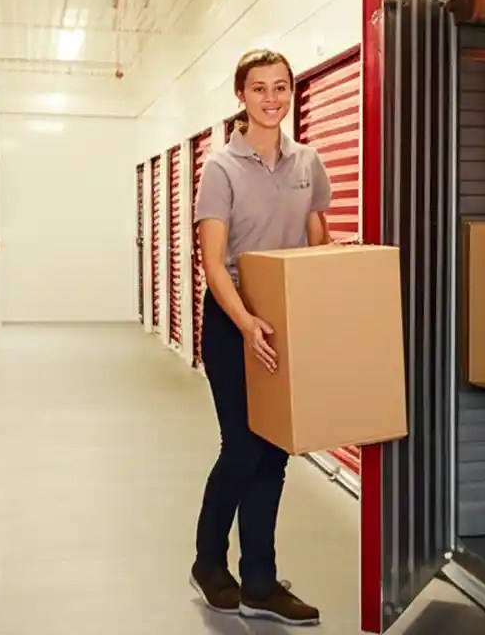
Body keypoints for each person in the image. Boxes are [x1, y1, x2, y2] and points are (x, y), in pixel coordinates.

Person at [188, 48, 332, 626]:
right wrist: (246, 322)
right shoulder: (221, 167)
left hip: (286, 319)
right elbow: (214, 261)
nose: (272, 99)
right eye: (259, 88)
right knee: (244, 446)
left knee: (273, 452)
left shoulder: (308, 161)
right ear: (240, 96)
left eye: (281, 87)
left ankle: (260, 582)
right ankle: (207, 560)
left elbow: (316, 235)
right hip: (231, 324)